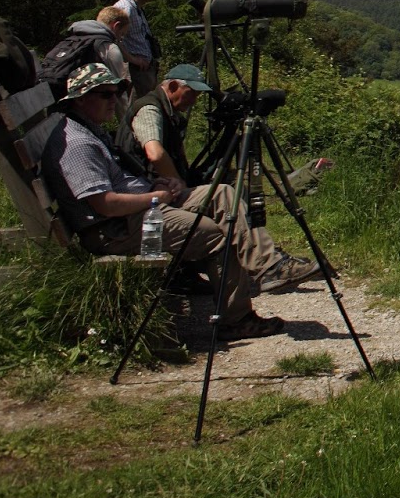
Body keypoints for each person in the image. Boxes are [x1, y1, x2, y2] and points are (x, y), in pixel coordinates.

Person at [39, 63, 284, 340]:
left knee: (223, 194)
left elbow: (120, 181)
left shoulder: (89, 129)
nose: (115, 101)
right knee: (215, 234)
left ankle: (268, 266)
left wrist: (156, 184)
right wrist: (156, 197)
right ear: (81, 100)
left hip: (139, 208)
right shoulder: (78, 144)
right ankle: (236, 320)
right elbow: (105, 205)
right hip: (117, 228)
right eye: (106, 95)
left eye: (117, 93)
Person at [119, 62, 323, 295]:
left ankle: (265, 259)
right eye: (191, 92)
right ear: (173, 85)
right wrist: (179, 183)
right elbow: (154, 153)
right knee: (225, 196)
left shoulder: (167, 110)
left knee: (231, 190)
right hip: (149, 194)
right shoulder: (150, 109)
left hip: (154, 188)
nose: (194, 100)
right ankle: (270, 265)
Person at [116, 0, 160, 97]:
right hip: (135, 72)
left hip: (144, 72)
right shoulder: (125, 8)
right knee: (134, 112)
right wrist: (133, 60)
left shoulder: (137, 8)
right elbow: (113, 38)